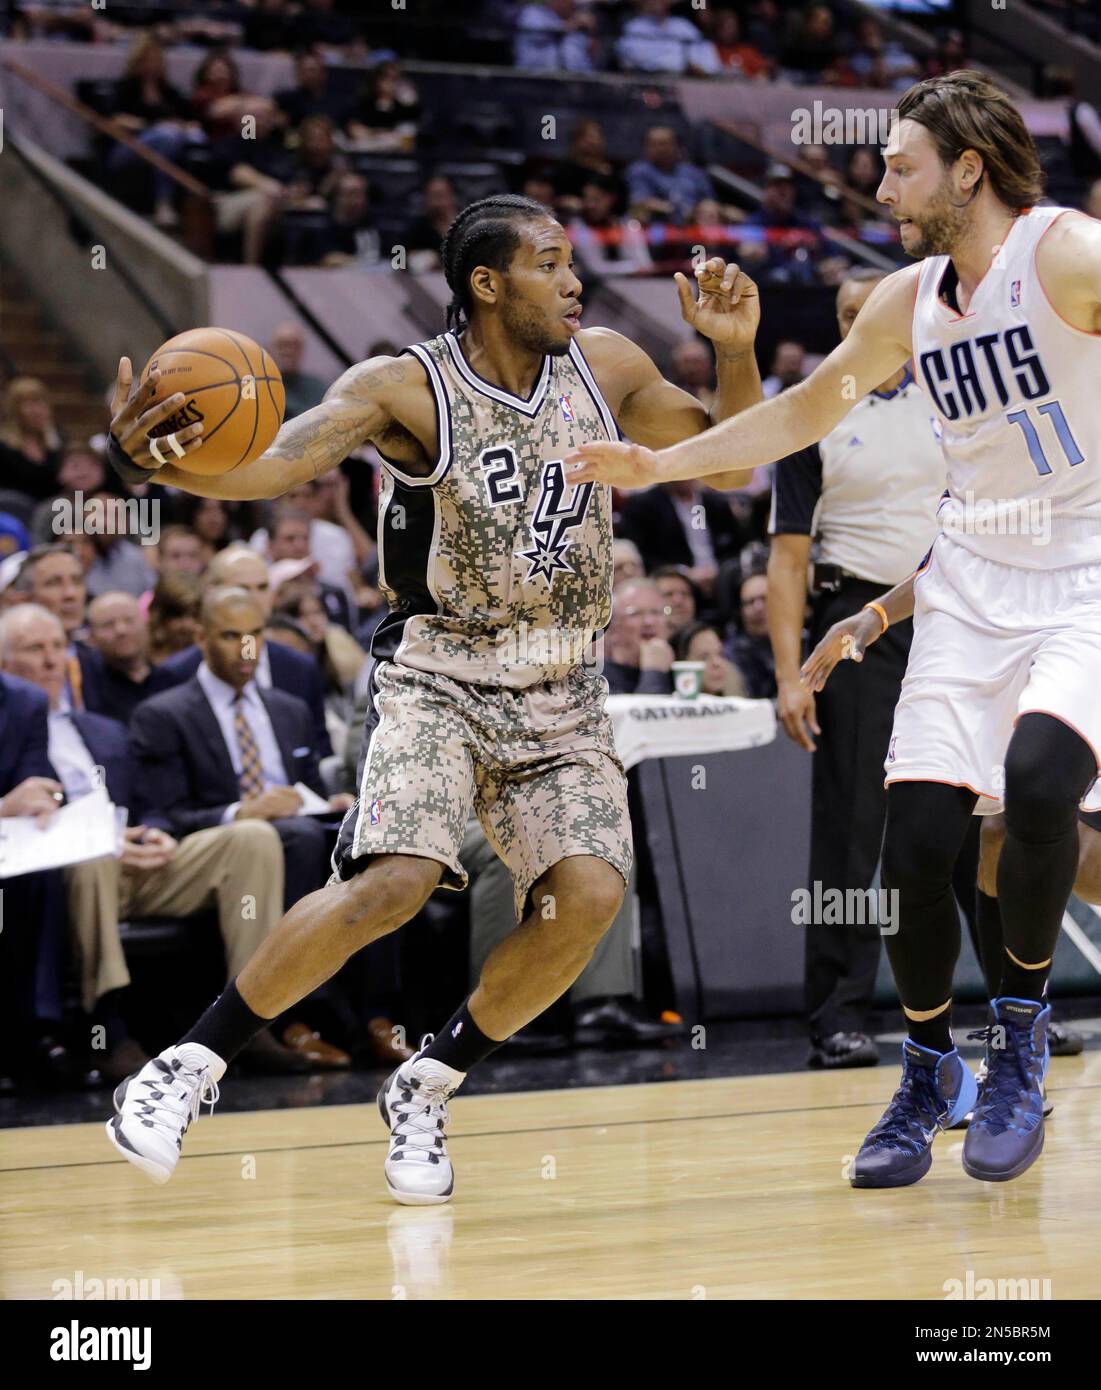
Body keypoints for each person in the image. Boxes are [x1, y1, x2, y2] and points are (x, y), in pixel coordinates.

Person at [102, 192, 762, 1202]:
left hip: (564, 682)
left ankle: (430, 1078)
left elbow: (736, 452)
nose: (575, 279)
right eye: (550, 262)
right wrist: (157, 455)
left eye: (574, 260)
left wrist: (733, 350)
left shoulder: (611, 365)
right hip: (439, 675)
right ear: (488, 283)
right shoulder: (405, 389)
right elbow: (276, 465)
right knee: (396, 879)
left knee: (586, 897)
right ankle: (185, 1068)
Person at [565, 70, 1101, 1188]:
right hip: (964, 583)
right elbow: (806, 411)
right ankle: (923, 1066)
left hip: (1084, 578)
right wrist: (663, 461)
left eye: (901, 164)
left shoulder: (1059, 253)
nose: (881, 181)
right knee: (912, 850)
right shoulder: (909, 298)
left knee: (1043, 782)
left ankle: (1021, 1039)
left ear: (969, 168)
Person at [768, 267, 946, 1071]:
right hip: (854, 626)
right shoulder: (812, 414)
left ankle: (1020, 1008)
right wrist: (786, 674)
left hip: (953, 616)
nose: (856, 321)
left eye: (868, 308)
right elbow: (786, 557)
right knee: (850, 831)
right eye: (842, 312)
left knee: (978, 813)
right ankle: (838, 1011)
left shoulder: (954, 393)